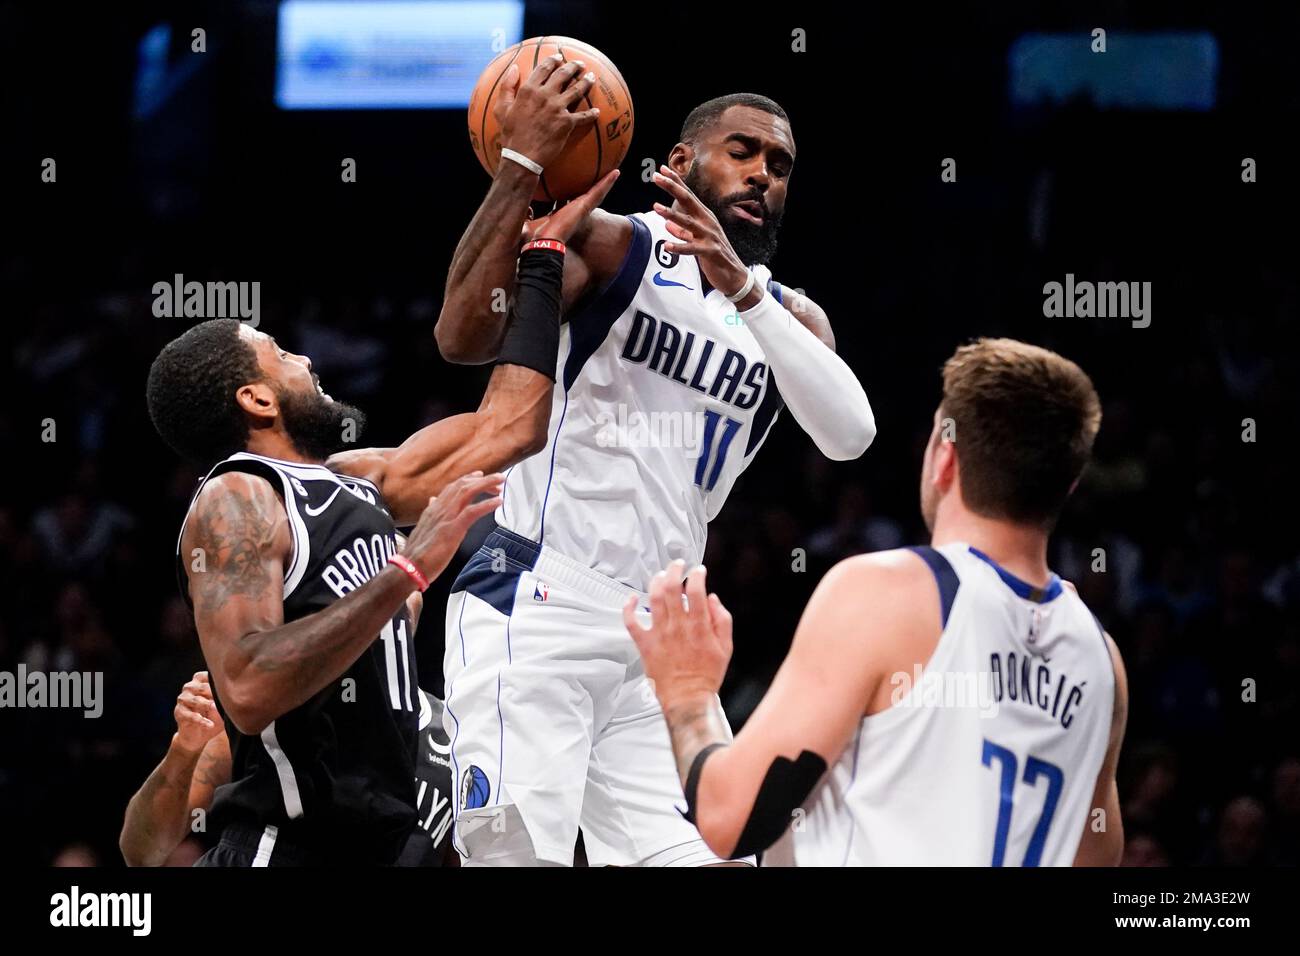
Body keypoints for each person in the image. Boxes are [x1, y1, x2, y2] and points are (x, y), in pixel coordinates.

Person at [434, 57, 875, 866]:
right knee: (513, 858)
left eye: (779, 166)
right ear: (678, 164)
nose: (761, 175)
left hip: (662, 638)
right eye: (742, 151)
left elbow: (852, 437)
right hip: (542, 599)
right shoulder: (615, 247)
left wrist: (743, 289)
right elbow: (459, 336)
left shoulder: (790, 319)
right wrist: (520, 171)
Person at [142, 125, 615, 863]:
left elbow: (513, 427)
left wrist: (541, 252)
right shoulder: (237, 498)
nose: (303, 358)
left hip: (391, 838)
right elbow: (249, 685)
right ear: (257, 401)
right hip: (296, 845)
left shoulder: (355, 482)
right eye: (280, 355)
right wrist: (405, 573)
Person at [627, 338, 1129, 866]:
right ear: (1068, 487)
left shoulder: (888, 594)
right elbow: (1094, 856)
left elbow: (730, 817)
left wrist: (687, 690)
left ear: (944, 458)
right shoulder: (1102, 661)